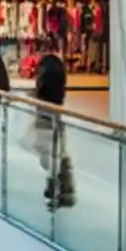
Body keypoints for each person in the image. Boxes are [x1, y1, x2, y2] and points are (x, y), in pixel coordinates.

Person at [31, 53, 75, 210]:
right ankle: (59, 189)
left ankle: (57, 190)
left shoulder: (43, 92)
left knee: (50, 159)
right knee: (55, 157)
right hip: (54, 123)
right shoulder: (57, 92)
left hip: (46, 124)